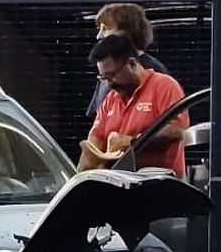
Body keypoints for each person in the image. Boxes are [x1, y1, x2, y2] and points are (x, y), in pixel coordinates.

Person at [79, 30, 188, 176]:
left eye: (112, 75)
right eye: (104, 78)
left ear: (132, 64)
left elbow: (176, 131)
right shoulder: (111, 99)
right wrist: (84, 170)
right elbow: (96, 138)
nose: (109, 84)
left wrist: (131, 142)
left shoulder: (164, 86)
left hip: (159, 185)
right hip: (119, 185)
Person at [86, 2, 168, 125]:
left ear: (127, 31)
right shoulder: (105, 72)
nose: (99, 36)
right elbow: (97, 118)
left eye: (106, 28)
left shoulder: (155, 72)